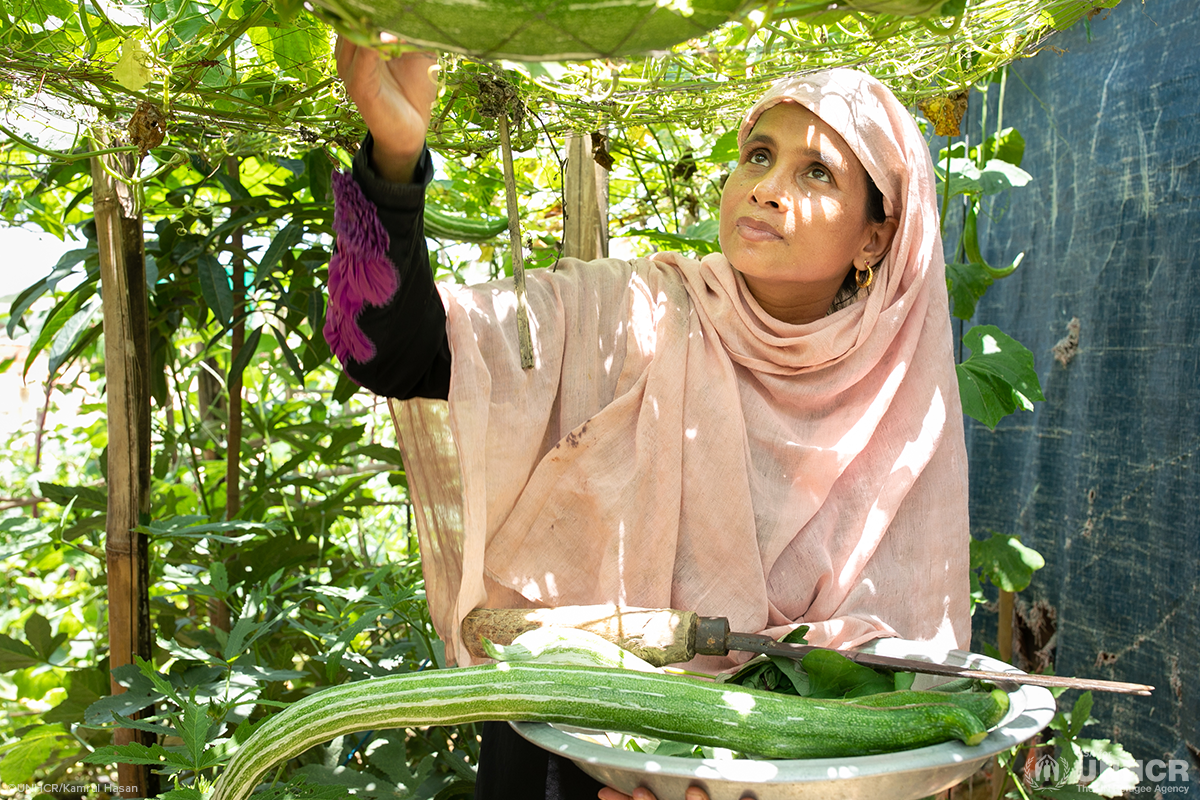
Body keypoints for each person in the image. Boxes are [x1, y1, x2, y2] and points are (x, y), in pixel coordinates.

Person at [331, 37, 971, 800]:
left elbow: (896, 682)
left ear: (875, 238)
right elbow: (385, 351)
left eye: (817, 172)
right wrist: (394, 159)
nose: (767, 188)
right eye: (759, 156)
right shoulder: (633, 316)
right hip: (564, 760)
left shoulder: (896, 406)